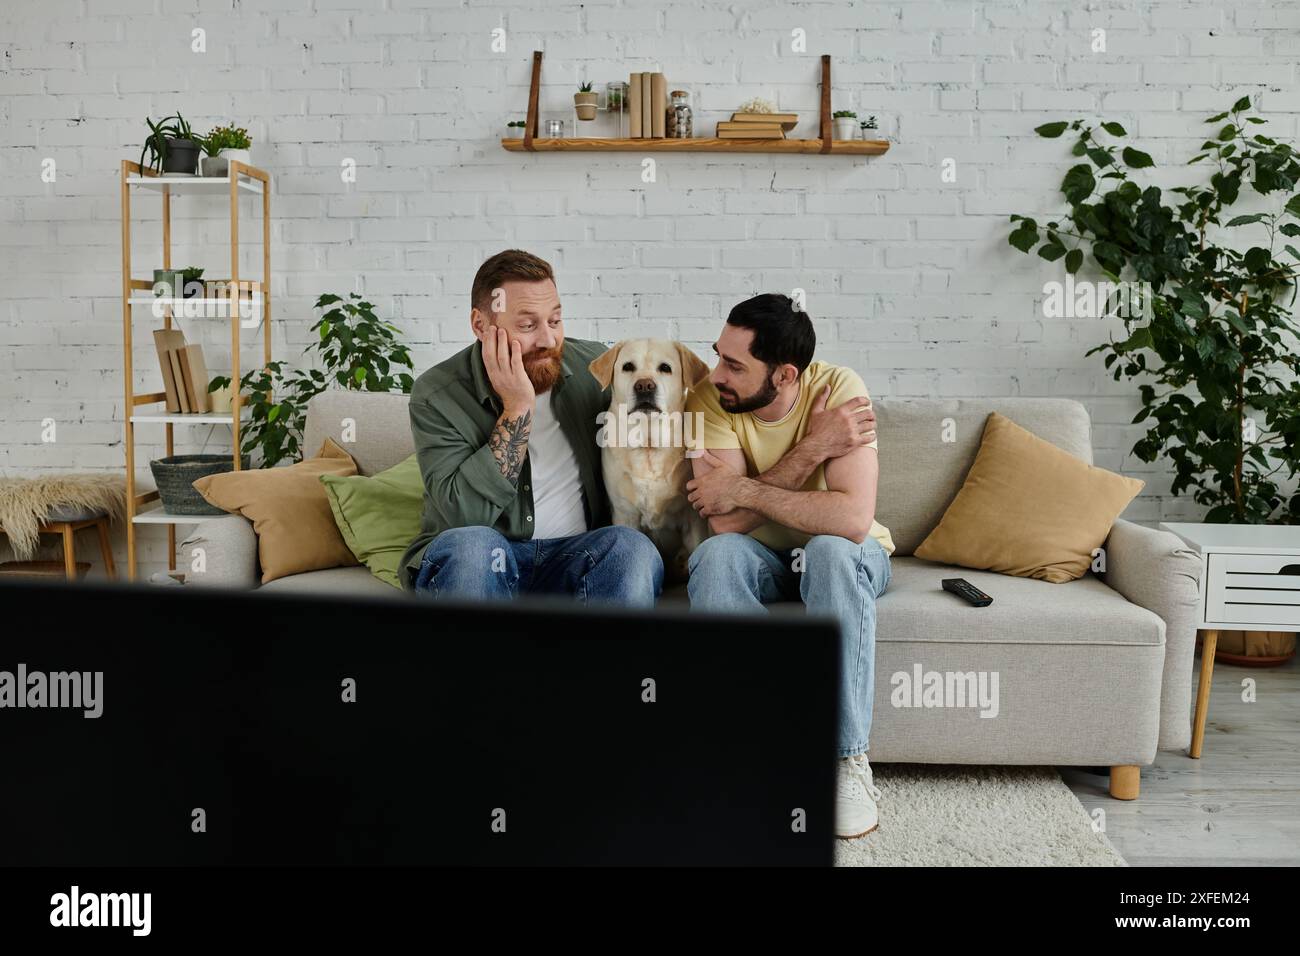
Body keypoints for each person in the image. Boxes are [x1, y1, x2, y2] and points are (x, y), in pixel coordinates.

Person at [683, 293, 895, 838]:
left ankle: (846, 762)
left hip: (850, 554)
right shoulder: (710, 399)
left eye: (735, 364)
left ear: (784, 376)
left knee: (828, 548)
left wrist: (740, 487)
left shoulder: (841, 392)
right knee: (717, 555)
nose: (716, 374)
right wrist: (812, 450)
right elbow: (725, 524)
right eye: (718, 356)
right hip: (761, 555)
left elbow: (850, 518)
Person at [400, 249, 663, 605]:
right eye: (527, 325)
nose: (548, 340)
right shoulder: (437, 394)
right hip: (481, 558)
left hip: (575, 556)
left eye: (554, 321)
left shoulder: (594, 369)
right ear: (481, 325)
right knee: (474, 546)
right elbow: (466, 517)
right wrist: (518, 406)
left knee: (630, 547)